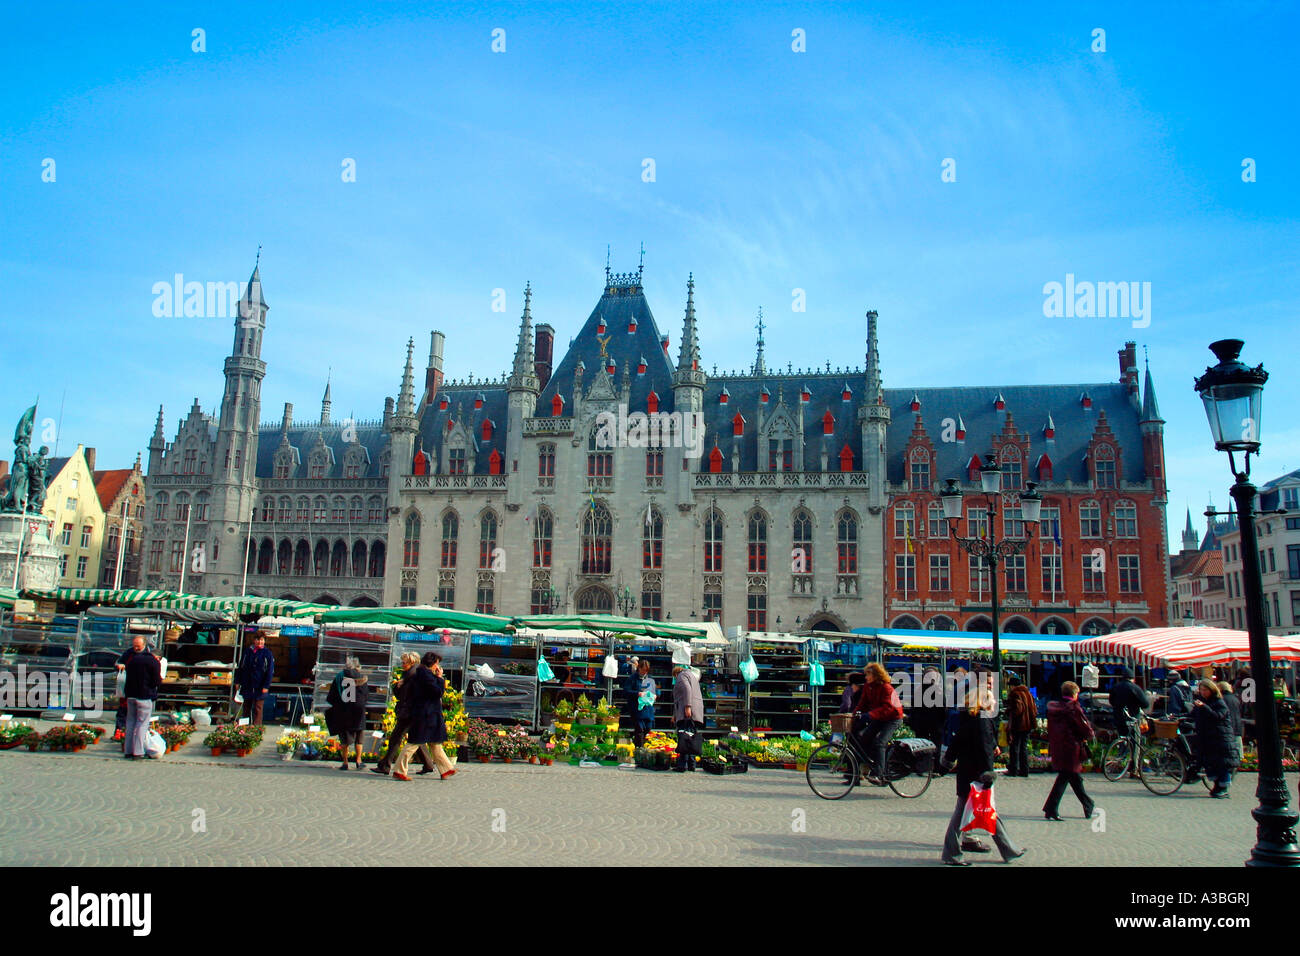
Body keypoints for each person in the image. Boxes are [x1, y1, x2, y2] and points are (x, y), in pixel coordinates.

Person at [940, 679, 1026, 866]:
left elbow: (958, 743)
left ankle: (1010, 850)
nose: (995, 702)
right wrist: (988, 774)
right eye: (992, 699)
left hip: (968, 774)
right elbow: (984, 749)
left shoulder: (970, 719)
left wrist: (947, 761)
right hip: (977, 776)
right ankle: (951, 854)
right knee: (964, 816)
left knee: (988, 814)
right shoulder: (983, 720)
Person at [393, 652, 456, 781]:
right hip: (426, 715)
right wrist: (440, 678)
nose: (437, 666)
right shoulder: (425, 676)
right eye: (437, 663)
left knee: (434, 742)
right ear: (432, 663)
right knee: (414, 743)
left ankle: (446, 769)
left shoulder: (421, 673)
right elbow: (437, 692)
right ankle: (399, 770)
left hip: (425, 713)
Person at [373, 653, 435, 775]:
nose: (402, 665)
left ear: (412, 662)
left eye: (404, 662)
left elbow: (405, 695)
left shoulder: (411, 676)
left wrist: (398, 686)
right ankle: (428, 764)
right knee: (416, 738)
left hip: (409, 712)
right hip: (412, 711)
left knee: (396, 738)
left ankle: (385, 766)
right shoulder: (411, 675)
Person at [1042, 681, 1096, 821]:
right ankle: (1052, 808)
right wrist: (1089, 734)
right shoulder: (1073, 708)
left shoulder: (1054, 708)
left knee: (1071, 776)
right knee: (1068, 776)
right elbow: (1083, 726)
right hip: (1072, 747)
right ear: (1074, 694)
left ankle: (1086, 804)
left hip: (1058, 746)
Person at [852, 662, 904, 783]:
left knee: (880, 742)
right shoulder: (868, 686)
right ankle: (872, 763)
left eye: (868, 674)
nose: (866, 677)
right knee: (864, 739)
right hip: (879, 717)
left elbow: (888, 708)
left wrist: (869, 715)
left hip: (893, 718)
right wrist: (854, 714)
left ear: (875, 675)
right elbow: (862, 703)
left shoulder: (886, 688)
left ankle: (879, 774)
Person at [325, 656, 370, 771]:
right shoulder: (362, 677)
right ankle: (358, 761)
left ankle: (345, 763)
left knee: (345, 738)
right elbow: (365, 695)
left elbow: (332, 696)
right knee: (359, 736)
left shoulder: (339, 677)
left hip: (343, 710)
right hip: (358, 710)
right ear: (357, 666)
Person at [1192, 679, 1235, 798]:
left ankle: (1223, 787)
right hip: (1207, 738)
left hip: (1220, 737)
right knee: (1211, 763)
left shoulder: (1219, 702)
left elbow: (1217, 716)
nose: (1202, 692)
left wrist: (1204, 707)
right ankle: (1217, 785)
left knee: (1222, 763)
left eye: (1205, 690)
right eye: (1201, 690)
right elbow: (1193, 714)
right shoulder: (1202, 701)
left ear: (1212, 690)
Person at [123, 639, 162, 760]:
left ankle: (128, 750)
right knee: (142, 724)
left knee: (130, 723)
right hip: (144, 696)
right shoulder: (153, 662)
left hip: (130, 695)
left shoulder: (133, 660)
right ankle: (138, 752)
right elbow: (156, 681)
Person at [1109, 667, 1150, 766]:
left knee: (1122, 740)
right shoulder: (1135, 688)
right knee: (1135, 743)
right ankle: (1134, 767)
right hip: (1132, 718)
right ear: (1133, 678)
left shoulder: (1115, 687)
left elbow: (1111, 701)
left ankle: (1118, 764)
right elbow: (1145, 704)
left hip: (1119, 718)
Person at [235, 633, 275, 726]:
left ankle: (256, 729)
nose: (260, 642)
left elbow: (270, 671)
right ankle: (244, 728)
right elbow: (241, 667)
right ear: (254, 640)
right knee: (246, 707)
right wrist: (237, 681)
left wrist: (266, 686)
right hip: (247, 684)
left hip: (260, 685)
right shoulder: (248, 651)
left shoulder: (267, 653)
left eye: (262, 640)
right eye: (258, 640)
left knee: (258, 707)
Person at [672, 664, 705, 772]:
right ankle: (692, 764)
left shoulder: (682, 676)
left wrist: (687, 707)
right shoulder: (691, 676)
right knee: (691, 736)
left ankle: (682, 765)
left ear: (675, 673)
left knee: (684, 737)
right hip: (695, 711)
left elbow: (687, 690)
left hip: (688, 711)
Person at [908, 666, 947, 753]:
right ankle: (935, 765)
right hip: (936, 726)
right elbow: (943, 710)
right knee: (936, 748)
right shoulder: (938, 691)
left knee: (921, 750)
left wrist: (914, 724)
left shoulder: (918, 690)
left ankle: (922, 765)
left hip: (921, 725)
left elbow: (914, 710)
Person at [113, 637, 144, 742]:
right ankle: (119, 733)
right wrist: (119, 665)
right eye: (134, 645)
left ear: (143, 645)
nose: (136, 648)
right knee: (123, 711)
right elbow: (118, 663)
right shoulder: (129, 652)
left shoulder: (148, 654)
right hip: (126, 687)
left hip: (141, 689)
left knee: (138, 713)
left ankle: (136, 736)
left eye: (138, 646)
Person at [1005, 675, 1036, 778]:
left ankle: (1013, 770)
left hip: (1018, 724)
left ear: (1013, 686)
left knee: (1014, 747)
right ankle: (1024, 770)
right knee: (1023, 747)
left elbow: (1018, 709)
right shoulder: (1028, 694)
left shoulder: (1015, 694)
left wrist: (1008, 711)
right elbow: (1034, 710)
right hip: (1028, 725)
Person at [626, 658, 656, 748]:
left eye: (646, 670)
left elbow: (656, 690)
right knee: (640, 729)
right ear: (639, 668)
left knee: (648, 728)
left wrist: (655, 695)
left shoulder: (650, 679)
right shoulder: (632, 679)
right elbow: (626, 691)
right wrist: (637, 693)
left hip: (648, 709)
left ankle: (639, 744)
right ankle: (639, 748)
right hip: (636, 709)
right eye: (643, 670)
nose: (644, 672)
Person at [1216, 680, 1244, 768]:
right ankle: (1237, 762)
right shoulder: (1235, 698)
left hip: (1227, 726)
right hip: (1237, 725)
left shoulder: (1221, 699)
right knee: (1236, 746)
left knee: (1228, 748)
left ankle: (1231, 765)